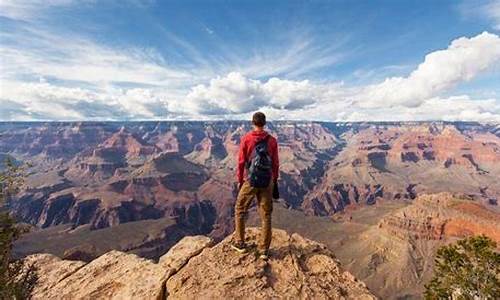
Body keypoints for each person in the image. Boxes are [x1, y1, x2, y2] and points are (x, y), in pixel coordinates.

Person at [231, 111, 279, 260]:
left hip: (251, 180)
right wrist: (274, 180)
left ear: (253, 123)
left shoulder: (246, 138)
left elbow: (240, 162)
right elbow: (276, 163)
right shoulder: (272, 140)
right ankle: (264, 250)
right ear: (264, 123)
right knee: (266, 214)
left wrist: (240, 180)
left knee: (240, 208)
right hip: (267, 181)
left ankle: (240, 243)